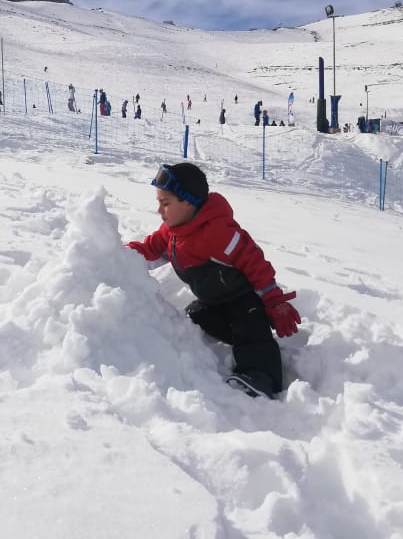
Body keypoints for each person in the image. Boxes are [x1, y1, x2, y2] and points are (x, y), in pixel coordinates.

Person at [126, 162, 301, 398]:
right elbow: (151, 247)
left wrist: (273, 300)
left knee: (250, 330)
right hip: (213, 301)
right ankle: (236, 339)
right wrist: (122, 255)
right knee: (193, 318)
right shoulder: (173, 230)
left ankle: (260, 377)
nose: (160, 210)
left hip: (243, 300)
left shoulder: (218, 232)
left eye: (165, 203)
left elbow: (255, 262)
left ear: (187, 202)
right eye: (159, 203)